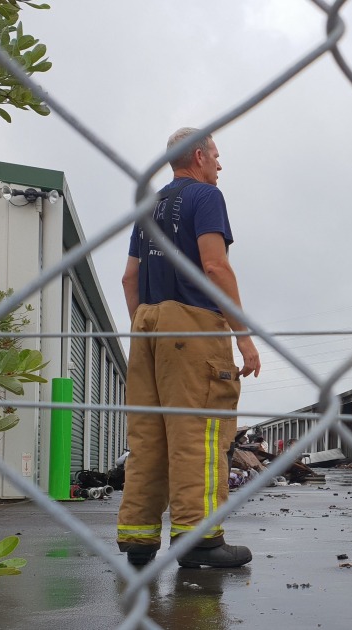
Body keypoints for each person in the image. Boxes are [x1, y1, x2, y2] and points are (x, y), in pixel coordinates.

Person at [116, 127, 262, 569]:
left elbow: (128, 278)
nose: (220, 164)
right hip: (192, 323)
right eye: (216, 155)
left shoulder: (149, 206)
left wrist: (147, 328)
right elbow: (215, 265)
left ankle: (138, 539)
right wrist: (243, 335)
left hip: (147, 325)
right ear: (198, 156)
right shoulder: (206, 198)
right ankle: (200, 540)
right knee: (200, 431)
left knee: (149, 436)